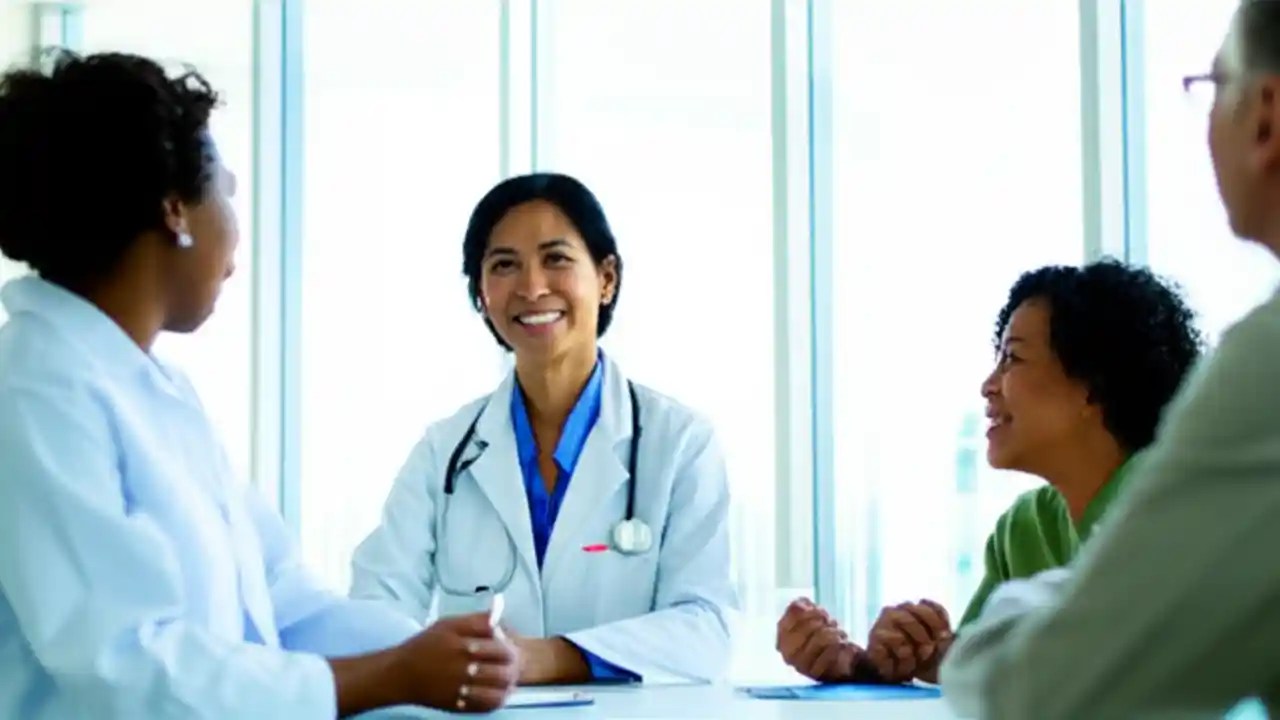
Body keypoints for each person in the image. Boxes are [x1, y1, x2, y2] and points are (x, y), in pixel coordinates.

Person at [0, 51, 517, 719]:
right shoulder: (36, 391)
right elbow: (124, 664)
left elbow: (280, 602)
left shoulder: (154, 390)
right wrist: (389, 677)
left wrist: (451, 653)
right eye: (230, 196)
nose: (236, 234)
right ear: (175, 212)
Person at [940, 2, 1280, 716]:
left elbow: (1050, 691)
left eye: (1215, 87)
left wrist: (1017, 619)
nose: (989, 386)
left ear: (1267, 115)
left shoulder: (1266, 372)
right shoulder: (1027, 525)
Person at [350, 172, 736, 685]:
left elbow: (706, 629)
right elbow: (377, 607)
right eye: (504, 265)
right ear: (481, 294)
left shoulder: (679, 443)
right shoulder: (444, 452)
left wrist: (548, 657)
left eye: (556, 259)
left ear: (606, 278)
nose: (531, 288)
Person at [776, 259, 1203, 686]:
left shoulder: (1174, 504)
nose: (988, 385)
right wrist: (869, 664)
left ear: (1093, 384)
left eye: (1012, 358)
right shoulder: (1023, 529)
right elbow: (977, 668)